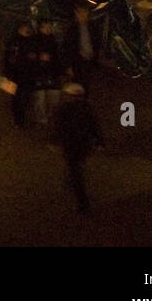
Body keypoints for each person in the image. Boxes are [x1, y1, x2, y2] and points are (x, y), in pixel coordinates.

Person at [52, 81, 103, 214]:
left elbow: (58, 127)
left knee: (75, 171)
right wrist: (99, 141)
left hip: (71, 144)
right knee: (77, 166)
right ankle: (72, 184)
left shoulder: (62, 109)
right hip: (85, 144)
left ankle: (82, 202)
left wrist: (54, 141)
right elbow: (95, 124)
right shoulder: (87, 107)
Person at [2, 23, 39, 126]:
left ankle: (24, 119)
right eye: (24, 28)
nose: (26, 30)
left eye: (27, 28)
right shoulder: (14, 42)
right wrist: (7, 74)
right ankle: (18, 120)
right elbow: (9, 59)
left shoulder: (31, 41)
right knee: (16, 98)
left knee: (26, 97)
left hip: (28, 74)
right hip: (15, 74)